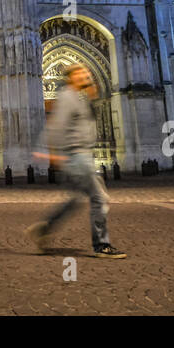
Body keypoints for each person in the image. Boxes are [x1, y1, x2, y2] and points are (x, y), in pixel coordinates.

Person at [25, 64, 126, 259]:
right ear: (71, 77)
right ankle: (102, 245)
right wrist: (50, 151)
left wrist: (92, 96)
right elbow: (56, 125)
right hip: (76, 156)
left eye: (87, 73)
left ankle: (44, 229)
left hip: (81, 155)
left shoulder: (80, 98)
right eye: (81, 74)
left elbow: (86, 123)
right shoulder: (67, 98)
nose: (86, 76)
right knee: (100, 198)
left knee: (76, 199)